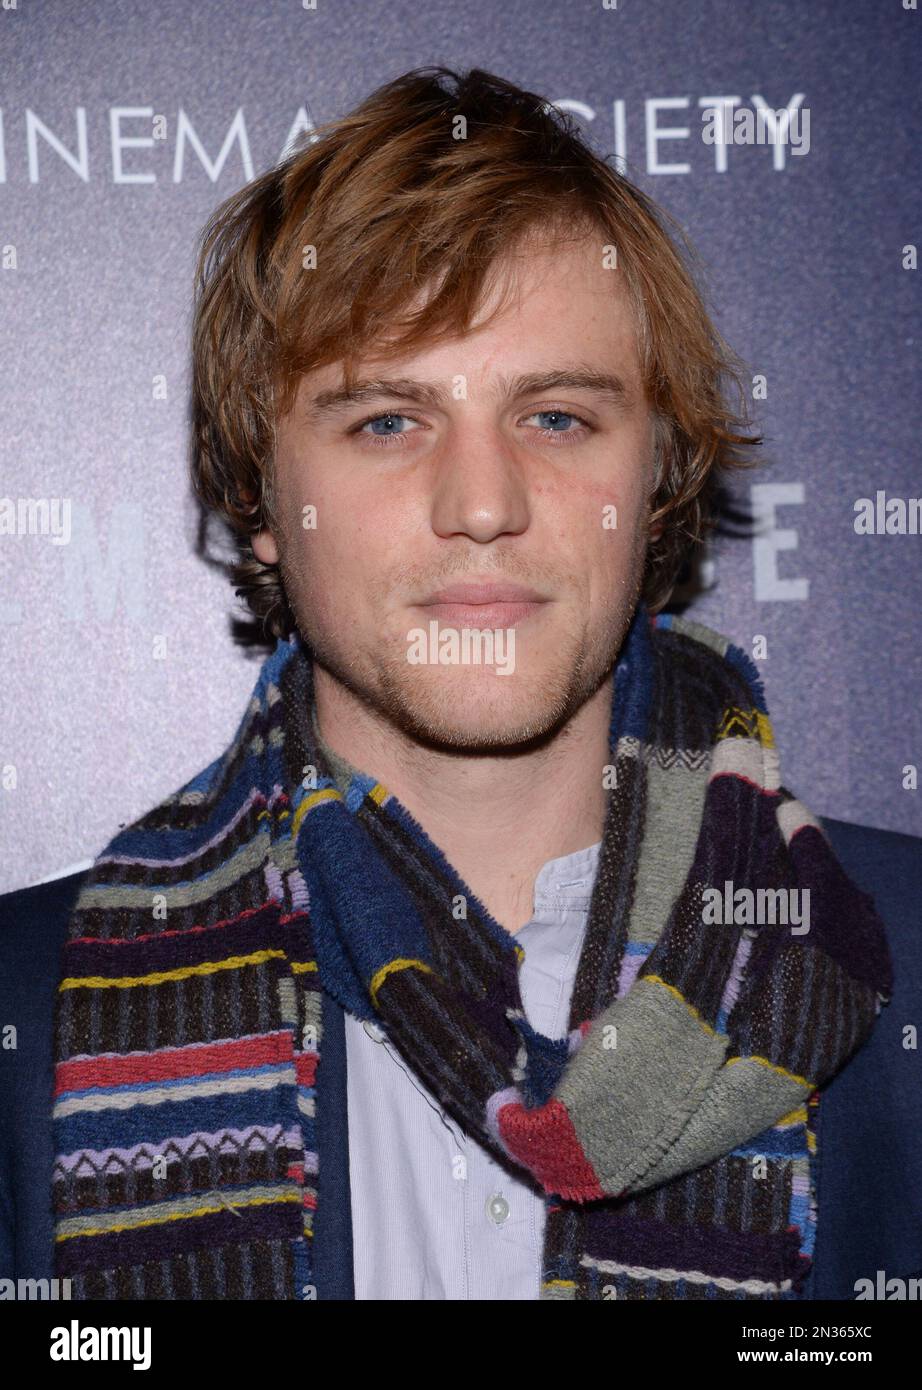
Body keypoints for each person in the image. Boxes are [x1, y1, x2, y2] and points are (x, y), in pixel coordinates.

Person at [1, 67, 919, 1303]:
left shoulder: (894, 953)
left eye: (554, 417)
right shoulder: (27, 1013)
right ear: (260, 499)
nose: (480, 505)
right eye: (386, 421)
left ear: (653, 481)